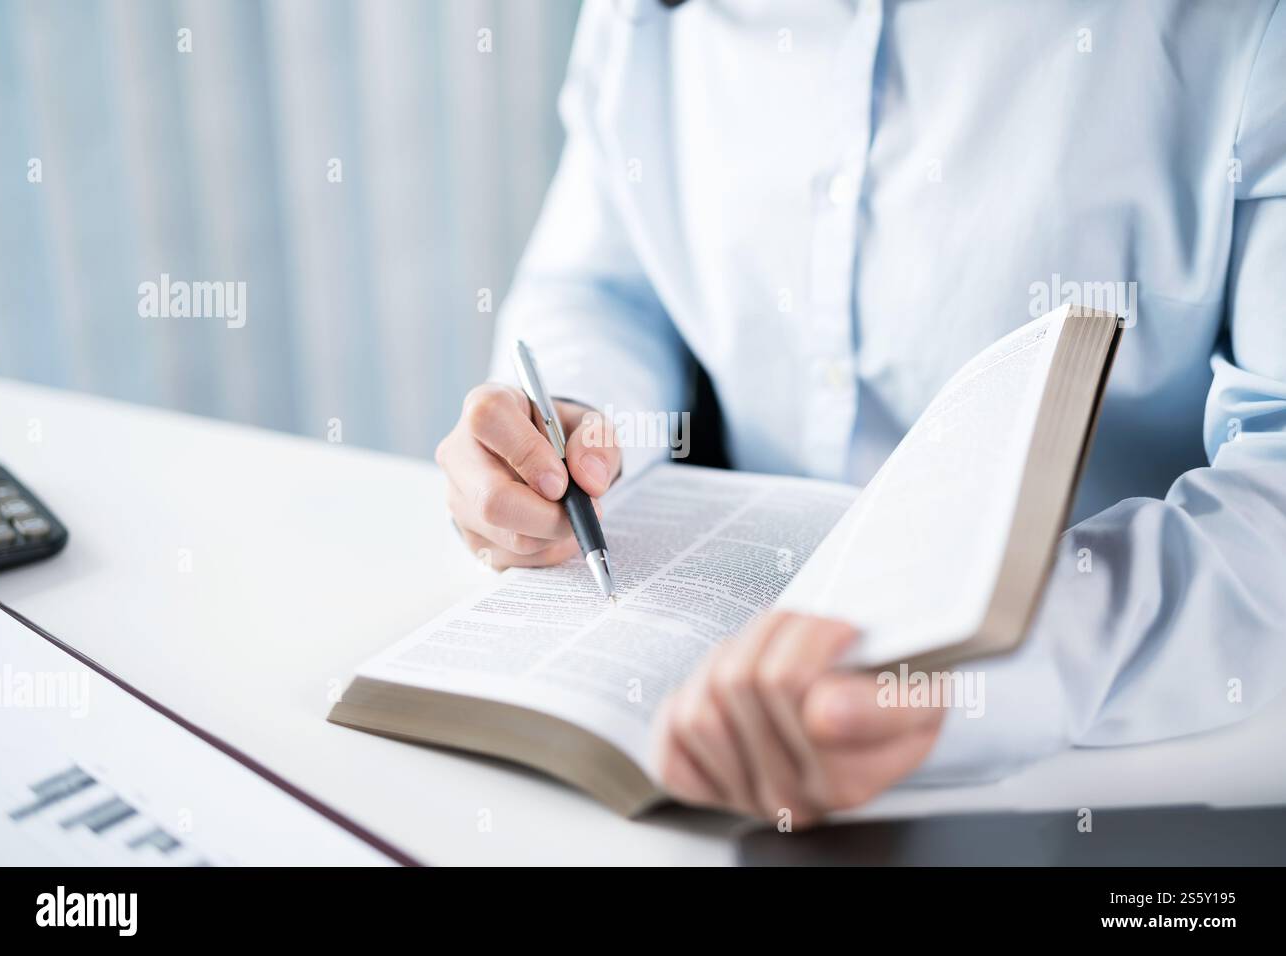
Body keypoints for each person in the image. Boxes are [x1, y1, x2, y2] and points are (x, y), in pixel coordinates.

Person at [436, 0, 1286, 826]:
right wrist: (579, 422)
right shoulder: (646, 18)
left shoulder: (1243, 28)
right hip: (719, 679)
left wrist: (973, 669)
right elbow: (601, 289)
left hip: (1095, 774)